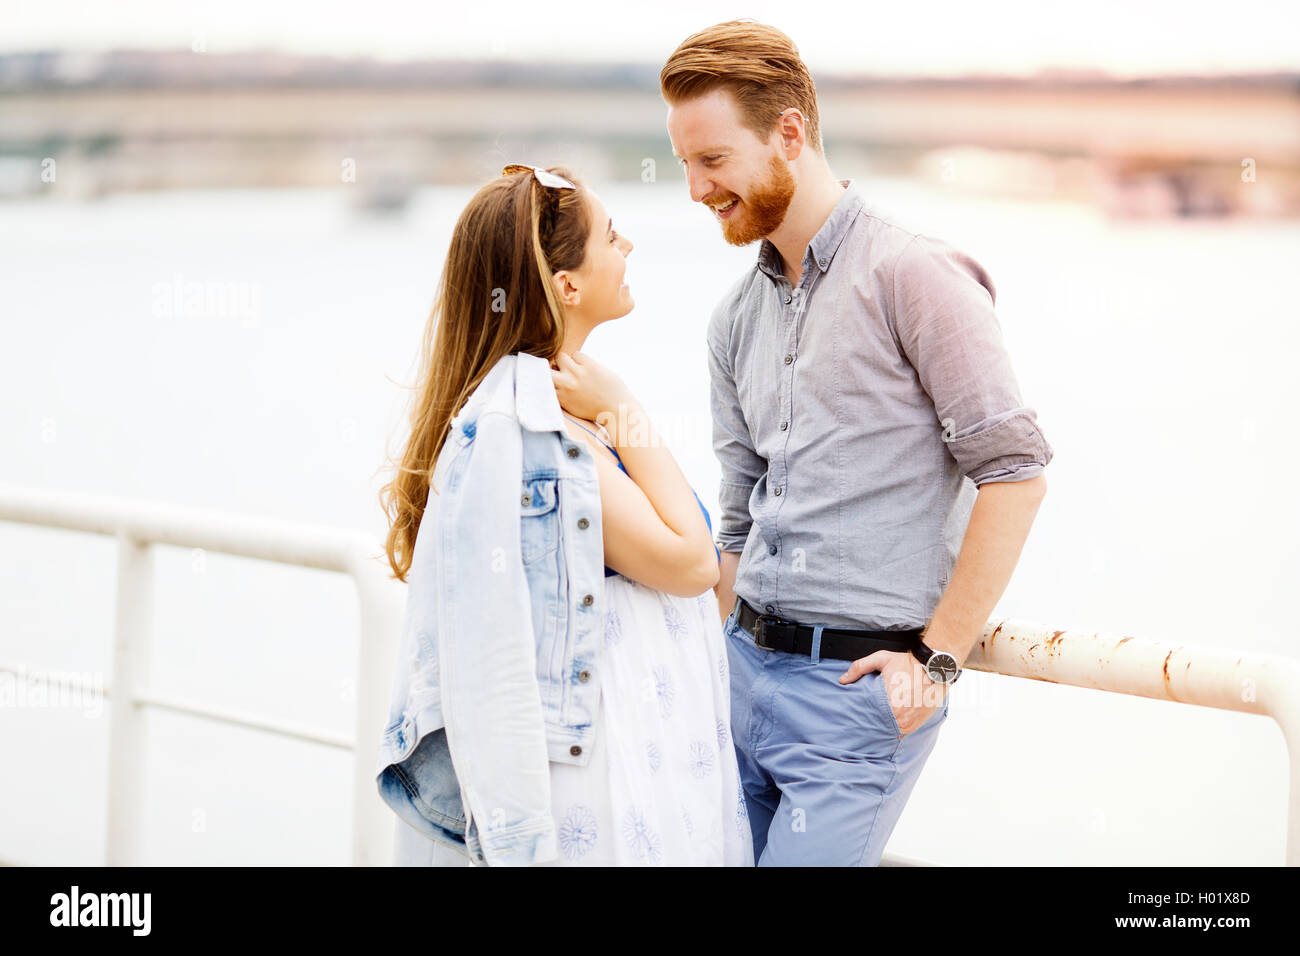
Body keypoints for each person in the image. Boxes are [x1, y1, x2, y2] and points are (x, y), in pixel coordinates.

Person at [660, 20, 1054, 865]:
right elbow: (737, 519)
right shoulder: (733, 319)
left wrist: (938, 662)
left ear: (790, 134)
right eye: (686, 162)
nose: (693, 187)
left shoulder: (916, 276)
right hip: (736, 681)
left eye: (712, 160)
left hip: (853, 704)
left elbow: (1015, 474)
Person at [376, 162, 753, 866]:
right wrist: (624, 408)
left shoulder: (508, 413)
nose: (629, 248)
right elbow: (692, 561)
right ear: (567, 285)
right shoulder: (547, 435)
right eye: (612, 238)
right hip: (596, 783)